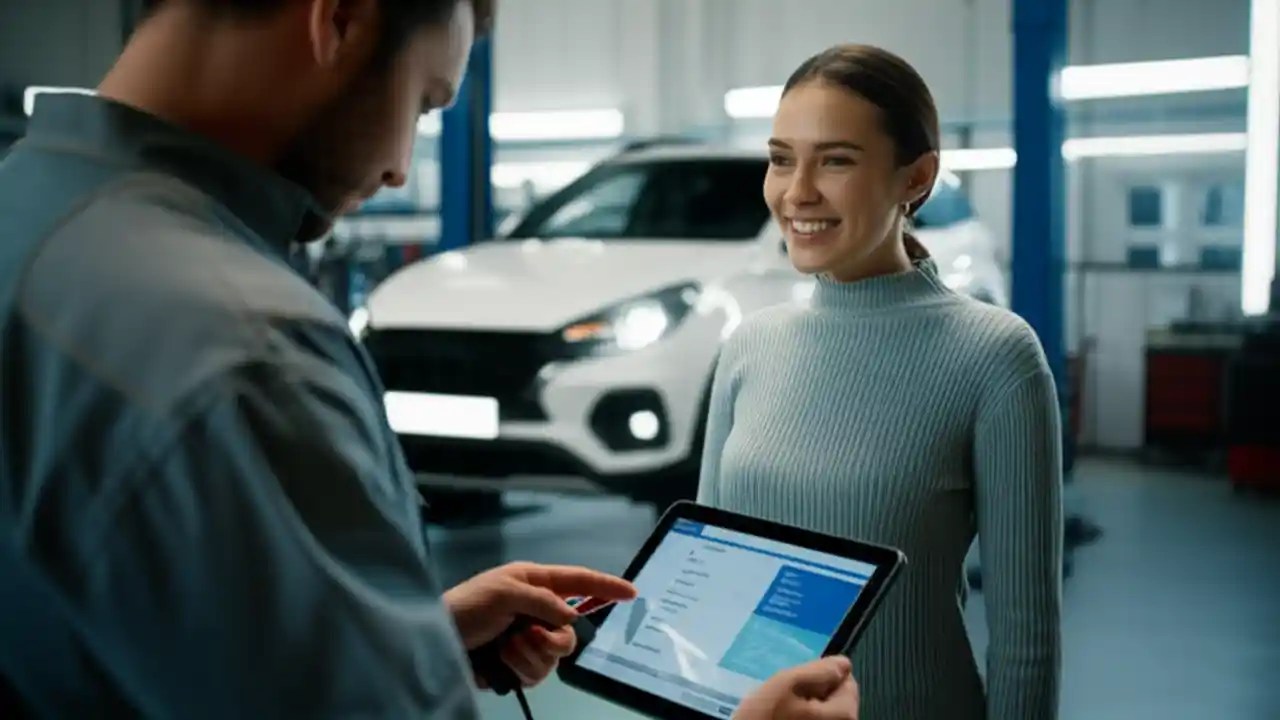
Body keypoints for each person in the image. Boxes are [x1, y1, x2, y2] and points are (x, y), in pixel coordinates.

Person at [0, 1, 860, 718]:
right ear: (336, 19)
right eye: (422, 101)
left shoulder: (27, 211)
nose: (399, 167)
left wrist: (393, 633)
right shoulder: (244, 349)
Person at [697, 44, 1063, 719]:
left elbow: (1025, 639)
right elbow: (711, 589)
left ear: (915, 178)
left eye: (835, 160)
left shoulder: (995, 356)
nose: (797, 191)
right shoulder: (750, 345)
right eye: (781, 159)